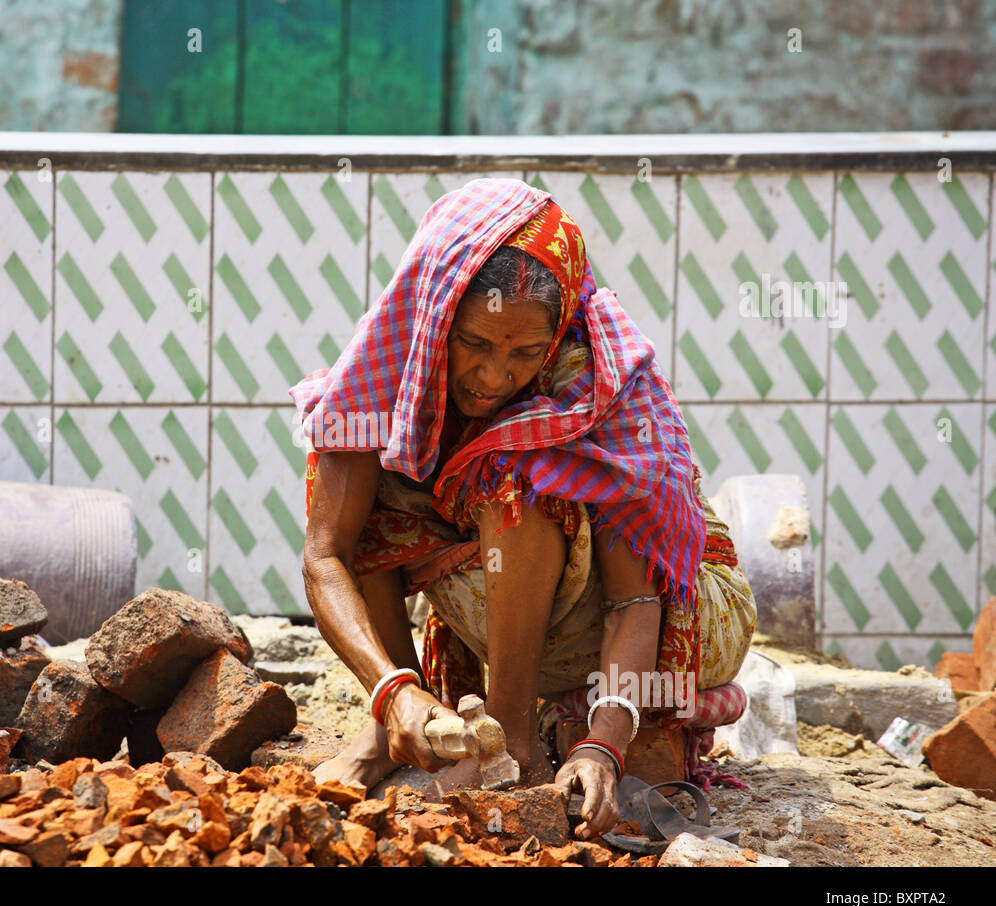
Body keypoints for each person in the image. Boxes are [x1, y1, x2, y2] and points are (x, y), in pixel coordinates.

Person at [293, 178, 755, 840]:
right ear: (438, 318)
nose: (493, 376)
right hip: (531, 620)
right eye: (476, 344)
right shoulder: (384, 367)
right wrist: (391, 692)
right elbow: (326, 554)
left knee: (516, 474)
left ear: (555, 336)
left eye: (523, 354)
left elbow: (636, 601)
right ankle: (403, 725)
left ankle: (513, 735)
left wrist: (605, 743)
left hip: (675, 617)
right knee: (365, 477)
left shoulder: (590, 382)